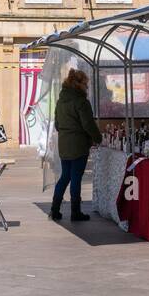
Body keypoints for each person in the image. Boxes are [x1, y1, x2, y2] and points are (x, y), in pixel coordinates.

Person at [50, 69, 101, 221]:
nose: (87, 87)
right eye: (86, 84)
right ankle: (75, 211)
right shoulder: (81, 102)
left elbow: (57, 125)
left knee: (65, 176)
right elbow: (88, 124)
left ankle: (55, 209)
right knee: (76, 177)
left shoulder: (60, 101)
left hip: (64, 144)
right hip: (78, 144)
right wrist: (97, 138)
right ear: (79, 84)